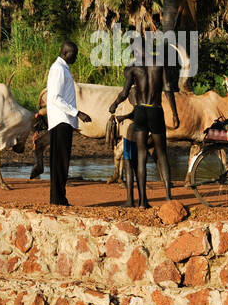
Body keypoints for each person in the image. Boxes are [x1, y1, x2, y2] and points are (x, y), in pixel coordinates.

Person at [108, 40, 179, 208]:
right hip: (155, 110)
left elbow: (125, 92)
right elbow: (168, 89)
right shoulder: (159, 64)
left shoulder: (133, 68)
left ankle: (142, 202)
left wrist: (114, 104)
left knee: (141, 156)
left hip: (140, 111)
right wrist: (175, 113)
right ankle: (168, 197)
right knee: (162, 154)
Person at [45, 41, 91, 207]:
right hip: (61, 121)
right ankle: (58, 199)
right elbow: (55, 98)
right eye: (75, 54)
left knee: (62, 161)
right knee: (60, 162)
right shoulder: (58, 69)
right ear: (67, 53)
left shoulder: (62, 68)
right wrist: (78, 113)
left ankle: (58, 198)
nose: (76, 57)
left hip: (65, 121)